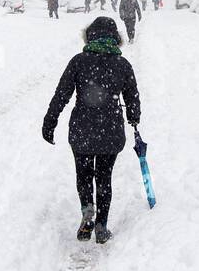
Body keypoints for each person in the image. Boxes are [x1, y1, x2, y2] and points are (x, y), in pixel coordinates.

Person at [42, 16, 141, 244]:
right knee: (104, 178)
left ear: (90, 36)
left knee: (84, 175)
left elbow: (61, 95)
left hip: (82, 129)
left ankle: (87, 211)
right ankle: (101, 226)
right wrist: (134, 120)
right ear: (116, 39)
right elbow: (133, 98)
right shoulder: (123, 65)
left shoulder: (78, 61)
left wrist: (50, 120)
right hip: (110, 130)